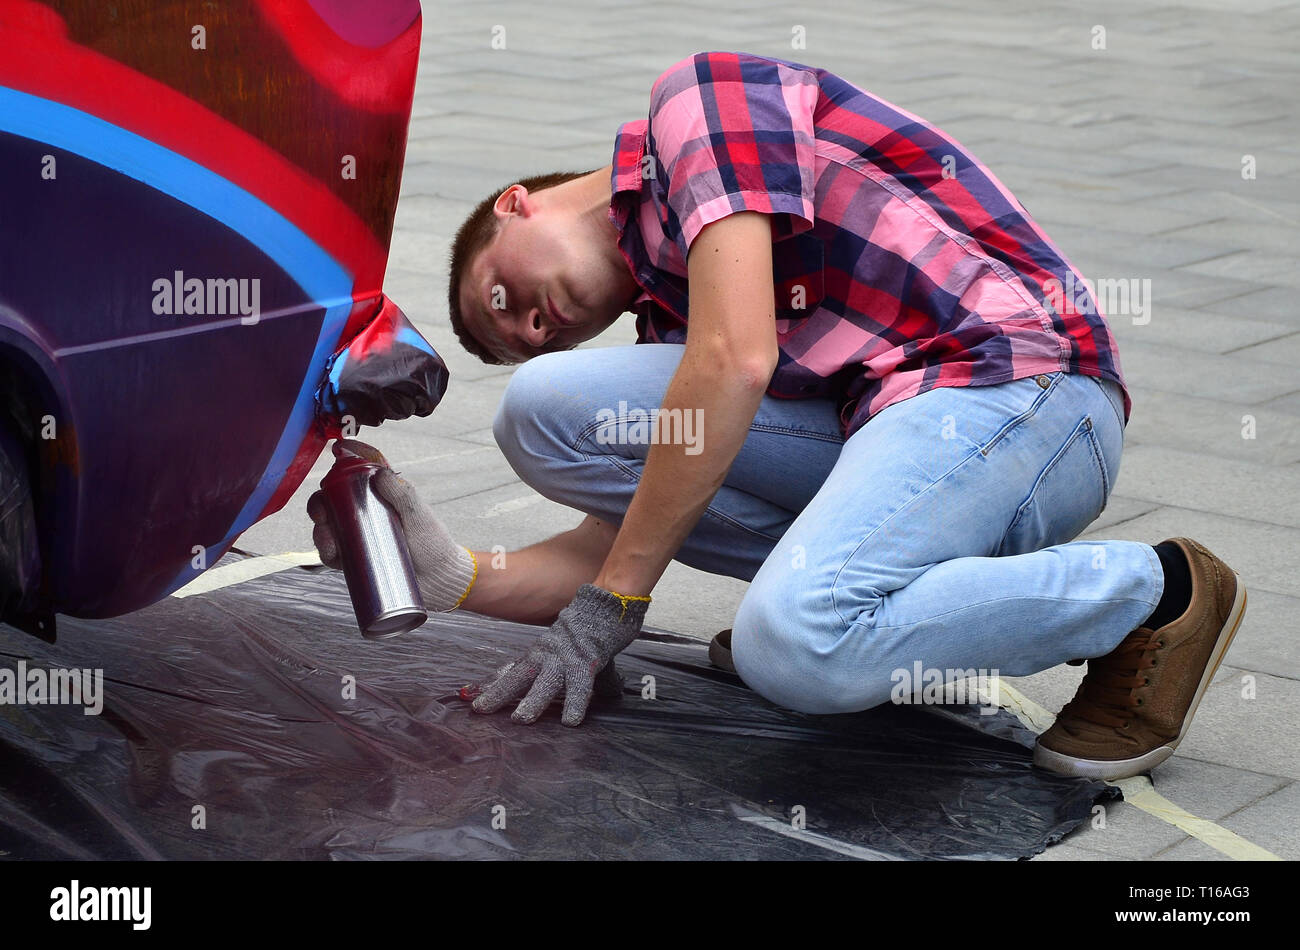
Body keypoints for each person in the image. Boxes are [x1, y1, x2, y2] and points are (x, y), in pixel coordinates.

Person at [308, 51, 1247, 782]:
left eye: (501, 297)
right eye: (528, 335)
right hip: (888, 422)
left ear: (516, 206)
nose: (533, 326)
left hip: (1019, 388)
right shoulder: (673, 317)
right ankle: (853, 603)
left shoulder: (697, 102)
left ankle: (1154, 596)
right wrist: (446, 573)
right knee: (569, 417)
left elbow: (737, 363)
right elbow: (616, 548)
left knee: (786, 644)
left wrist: (614, 612)